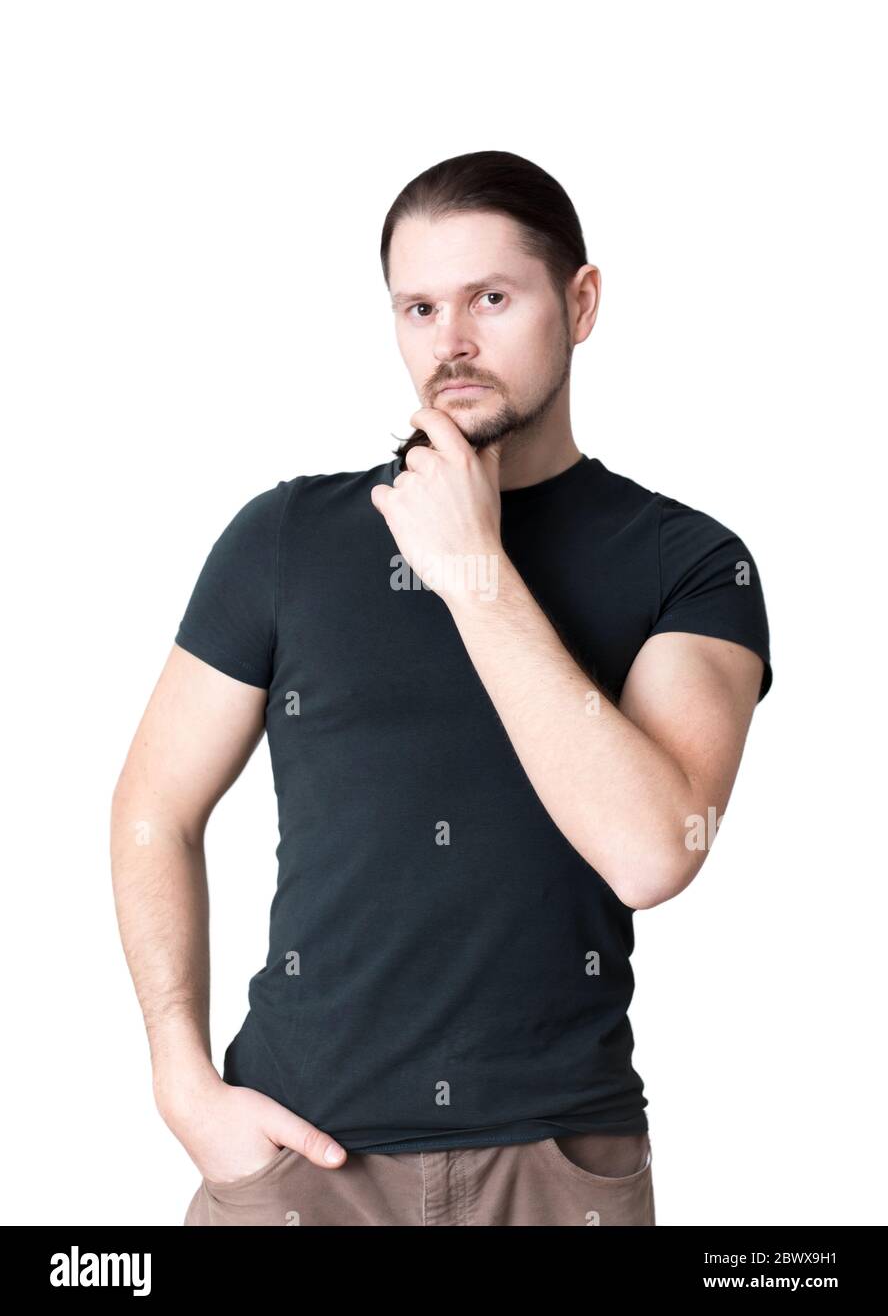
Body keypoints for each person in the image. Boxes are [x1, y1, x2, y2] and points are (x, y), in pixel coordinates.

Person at [110, 150, 772, 1226]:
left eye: (491, 299)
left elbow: (655, 851)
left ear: (582, 301)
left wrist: (475, 574)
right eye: (418, 307)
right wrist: (181, 1077)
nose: (449, 341)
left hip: (558, 1166)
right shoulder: (288, 537)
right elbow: (153, 805)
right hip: (298, 1160)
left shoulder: (690, 563)